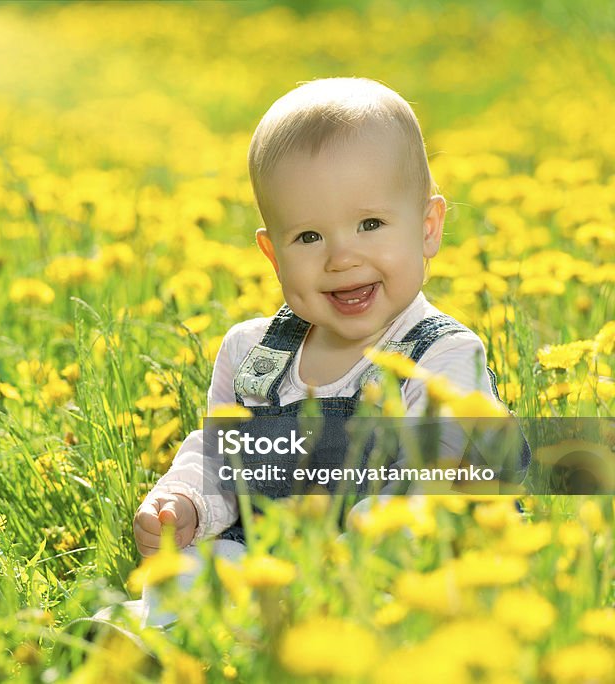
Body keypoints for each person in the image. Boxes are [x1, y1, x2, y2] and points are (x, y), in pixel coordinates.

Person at [120, 77, 527, 627]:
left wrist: (353, 546)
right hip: (271, 565)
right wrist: (186, 502)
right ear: (272, 252)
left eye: (370, 224)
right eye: (309, 237)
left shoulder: (444, 354)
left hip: (381, 577)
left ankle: (248, 634)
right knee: (195, 565)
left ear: (428, 228)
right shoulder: (252, 355)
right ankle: (147, 639)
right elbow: (220, 458)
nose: (341, 257)